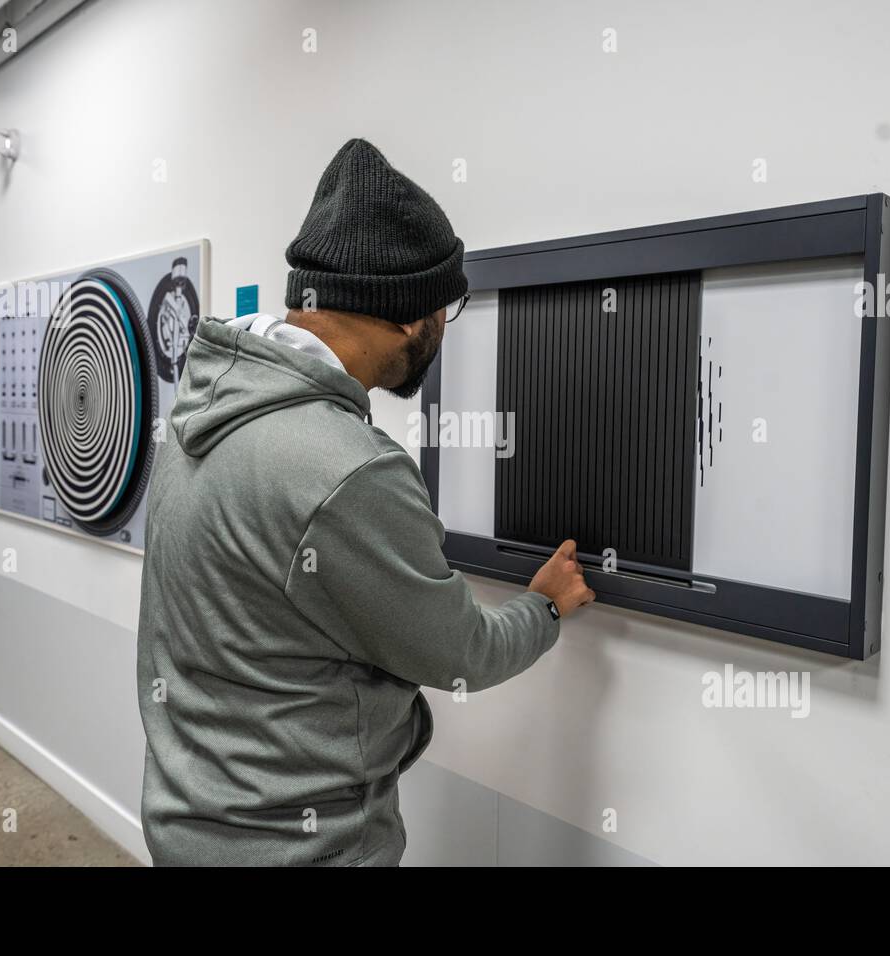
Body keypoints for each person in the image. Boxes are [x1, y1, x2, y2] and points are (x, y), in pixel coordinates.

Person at [137, 139, 595, 867]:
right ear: (411, 316)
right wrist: (543, 608)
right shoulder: (348, 471)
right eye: (448, 307)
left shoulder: (204, 409)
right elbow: (461, 654)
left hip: (186, 824)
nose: (446, 326)